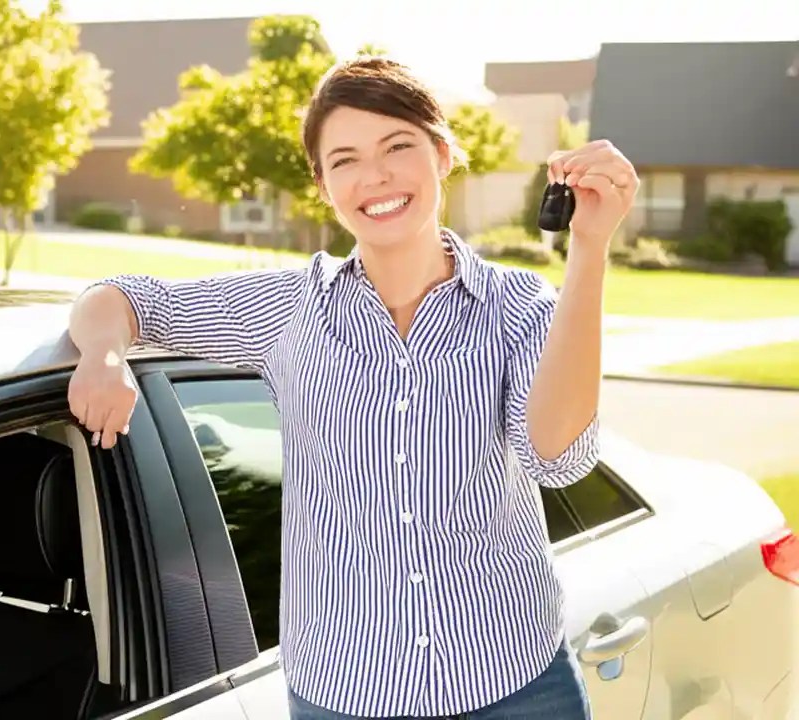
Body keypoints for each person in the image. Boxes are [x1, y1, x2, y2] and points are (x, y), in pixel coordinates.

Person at [66, 55, 638, 720]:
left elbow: (557, 457)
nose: (376, 176)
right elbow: (121, 298)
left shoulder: (516, 307)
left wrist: (590, 249)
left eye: (398, 146)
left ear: (443, 153)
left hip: (514, 681)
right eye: (345, 159)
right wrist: (104, 354)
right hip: (347, 693)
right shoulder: (287, 309)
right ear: (322, 182)